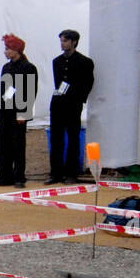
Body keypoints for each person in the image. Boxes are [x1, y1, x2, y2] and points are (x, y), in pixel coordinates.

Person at [47, 30, 95, 184]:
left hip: (73, 104)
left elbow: (88, 82)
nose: (63, 44)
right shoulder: (57, 61)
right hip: (58, 104)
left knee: (73, 138)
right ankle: (56, 173)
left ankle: (71, 173)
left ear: (74, 42)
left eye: (66, 41)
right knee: (56, 139)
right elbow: (59, 83)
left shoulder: (85, 62)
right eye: (61, 41)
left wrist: (80, 99)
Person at [0, 34, 39, 188]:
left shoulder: (28, 68)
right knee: (3, 145)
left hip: (18, 112)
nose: (5, 52)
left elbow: (31, 92)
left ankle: (19, 176)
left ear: (16, 50)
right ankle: (4, 176)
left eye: (7, 49)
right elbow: (2, 90)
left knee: (18, 146)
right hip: (6, 111)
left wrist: (24, 114)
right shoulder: (6, 67)